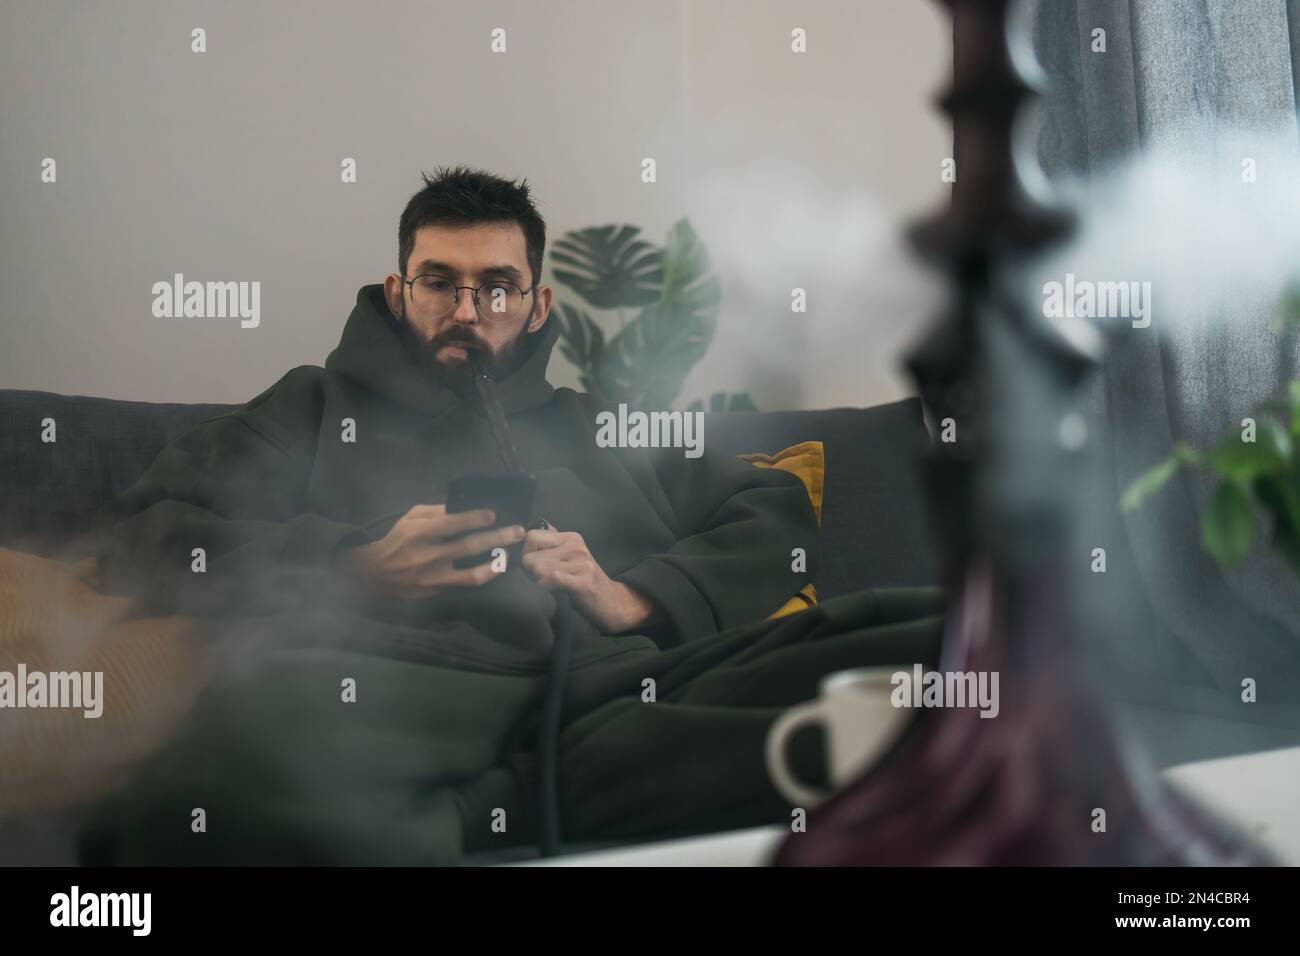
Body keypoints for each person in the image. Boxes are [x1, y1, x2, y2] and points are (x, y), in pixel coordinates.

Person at [73, 166, 945, 864]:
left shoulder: (599, 423)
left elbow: (772, 504)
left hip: (621, 696)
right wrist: (354, 562)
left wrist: (637, 598)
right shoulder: (311, 407)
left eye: (496, 287)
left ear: (537, 304)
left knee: (942, 640)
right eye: (439, 283)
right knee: (223, 766)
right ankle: (516, 802)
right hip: (386, 696)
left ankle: (514, 798)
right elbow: (138, 532)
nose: (466, 311)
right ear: (397, 286)